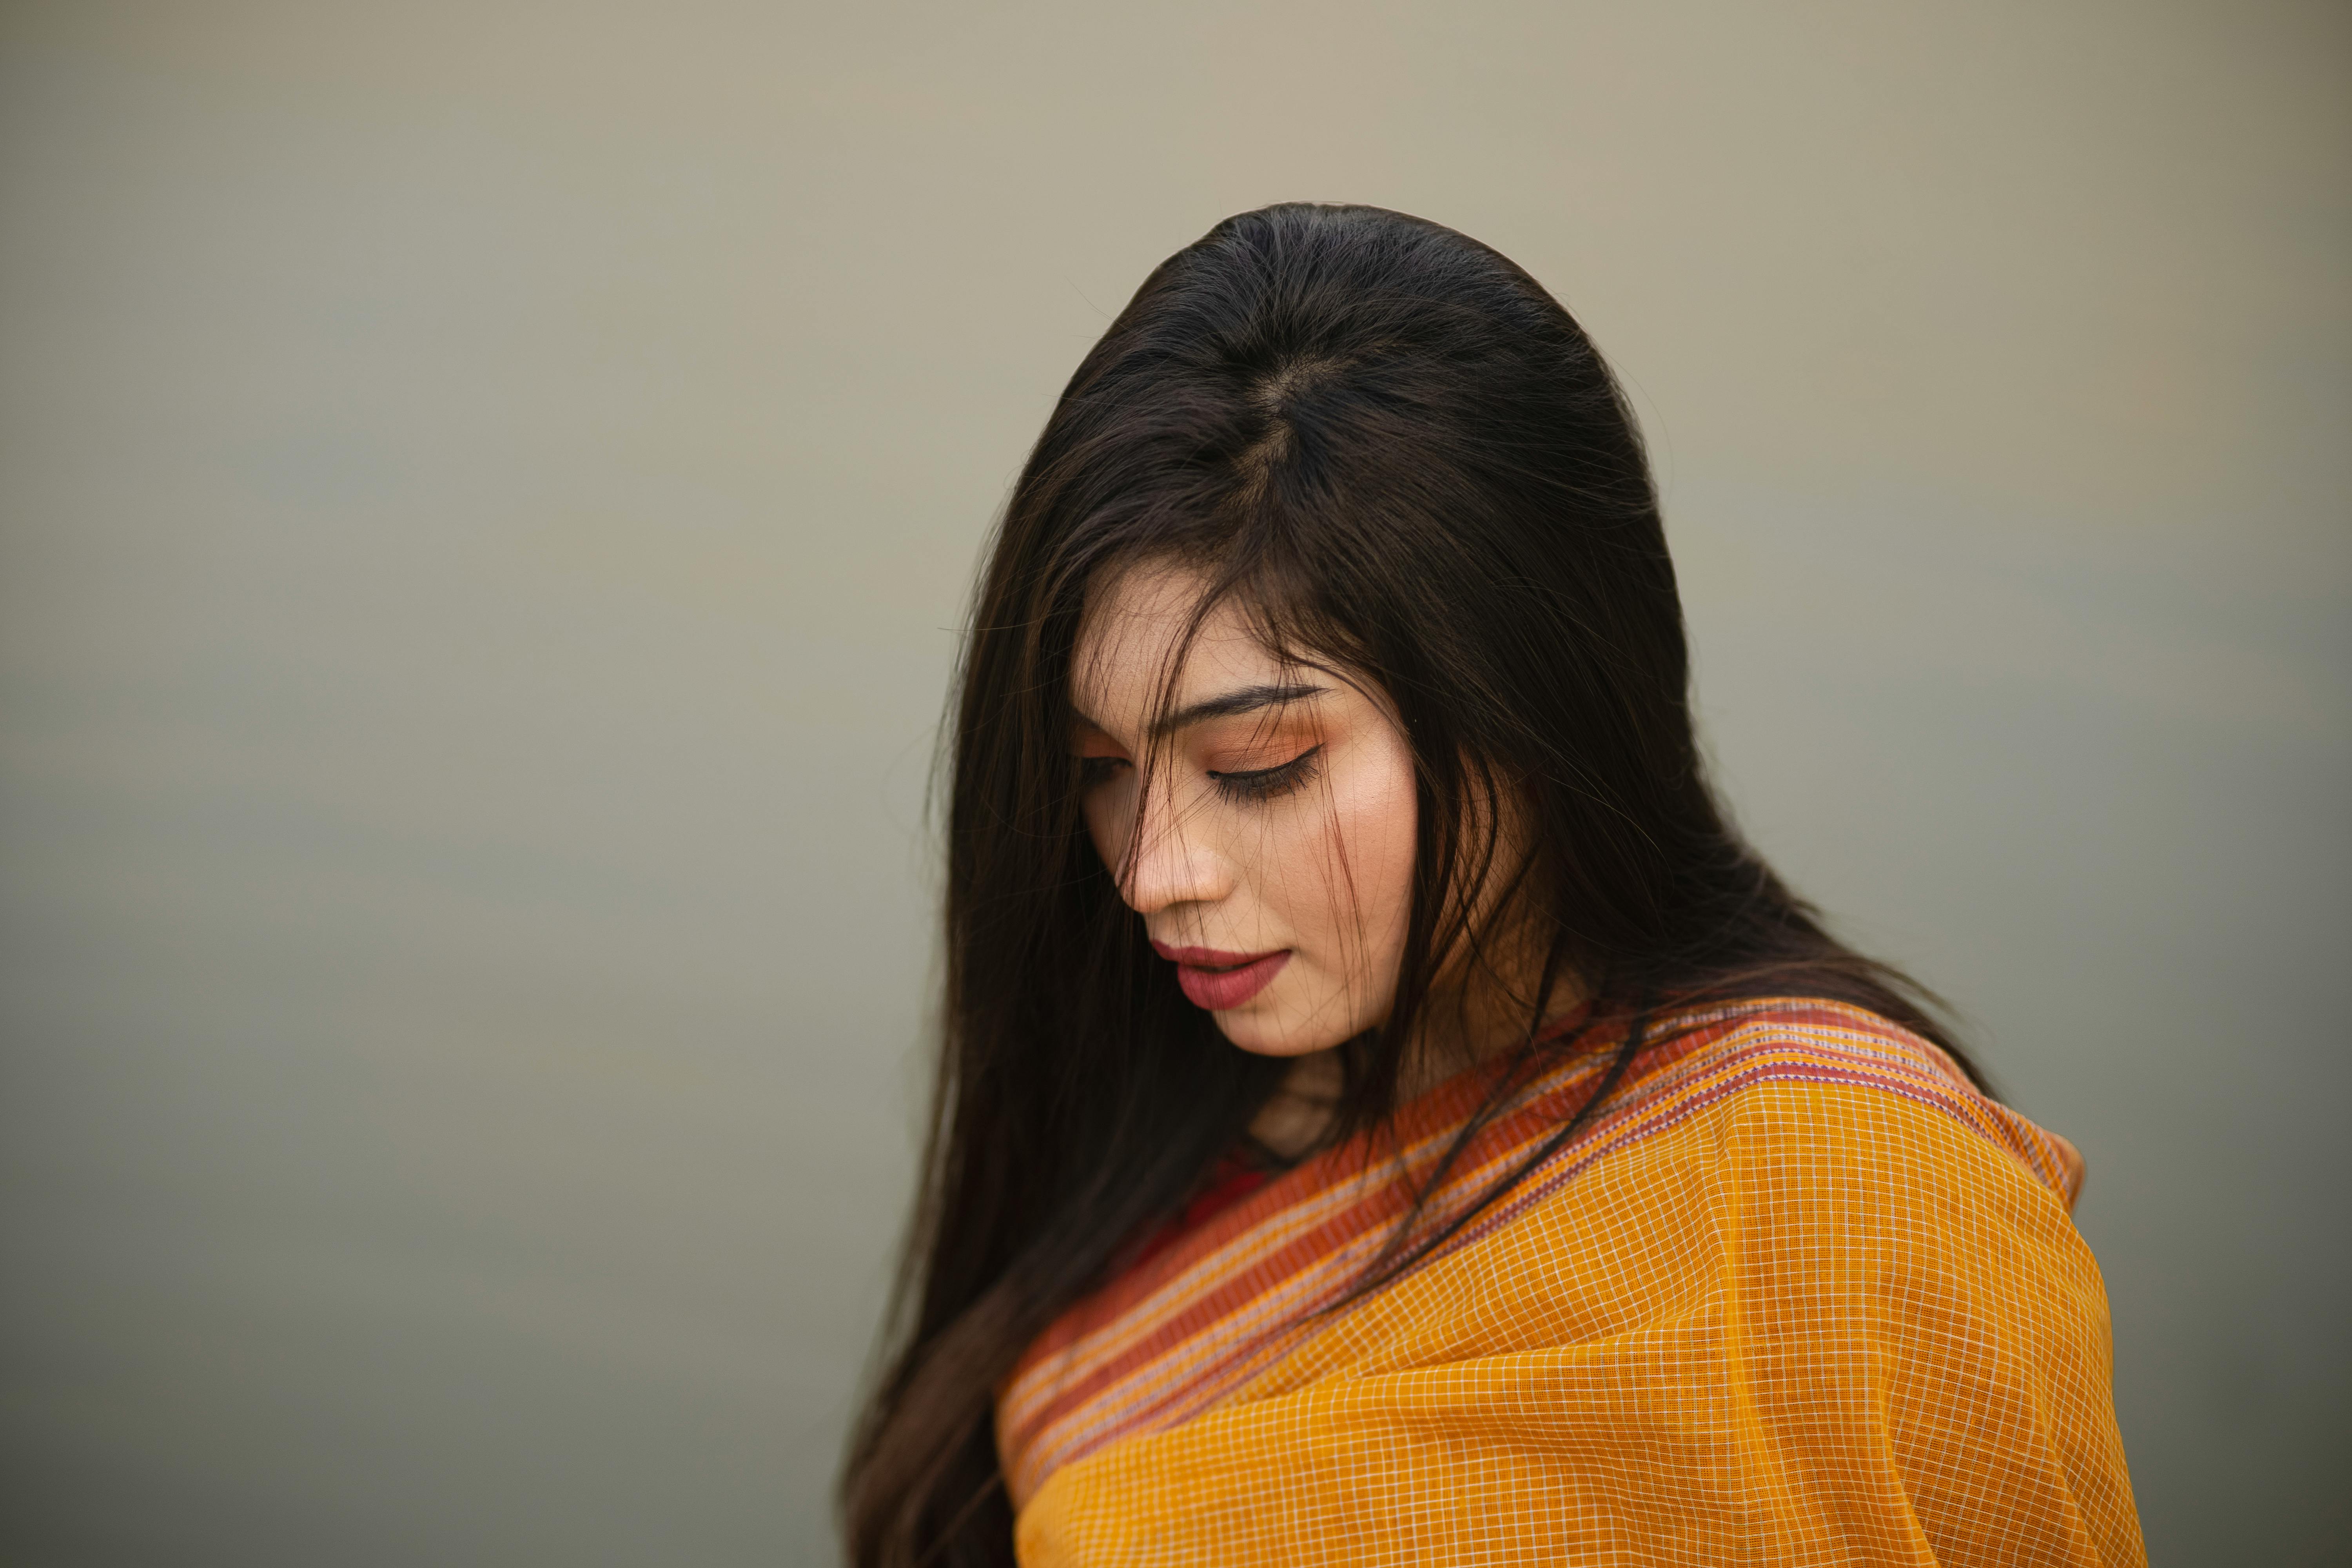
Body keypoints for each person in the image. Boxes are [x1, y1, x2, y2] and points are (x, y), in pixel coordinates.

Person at [840, 203, 2143, 1568]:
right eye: (1100, 769)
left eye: (1260, 768)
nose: (1152, 874)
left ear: (1530, 711)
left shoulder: (1851, 1201)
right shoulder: (1148, 1110)